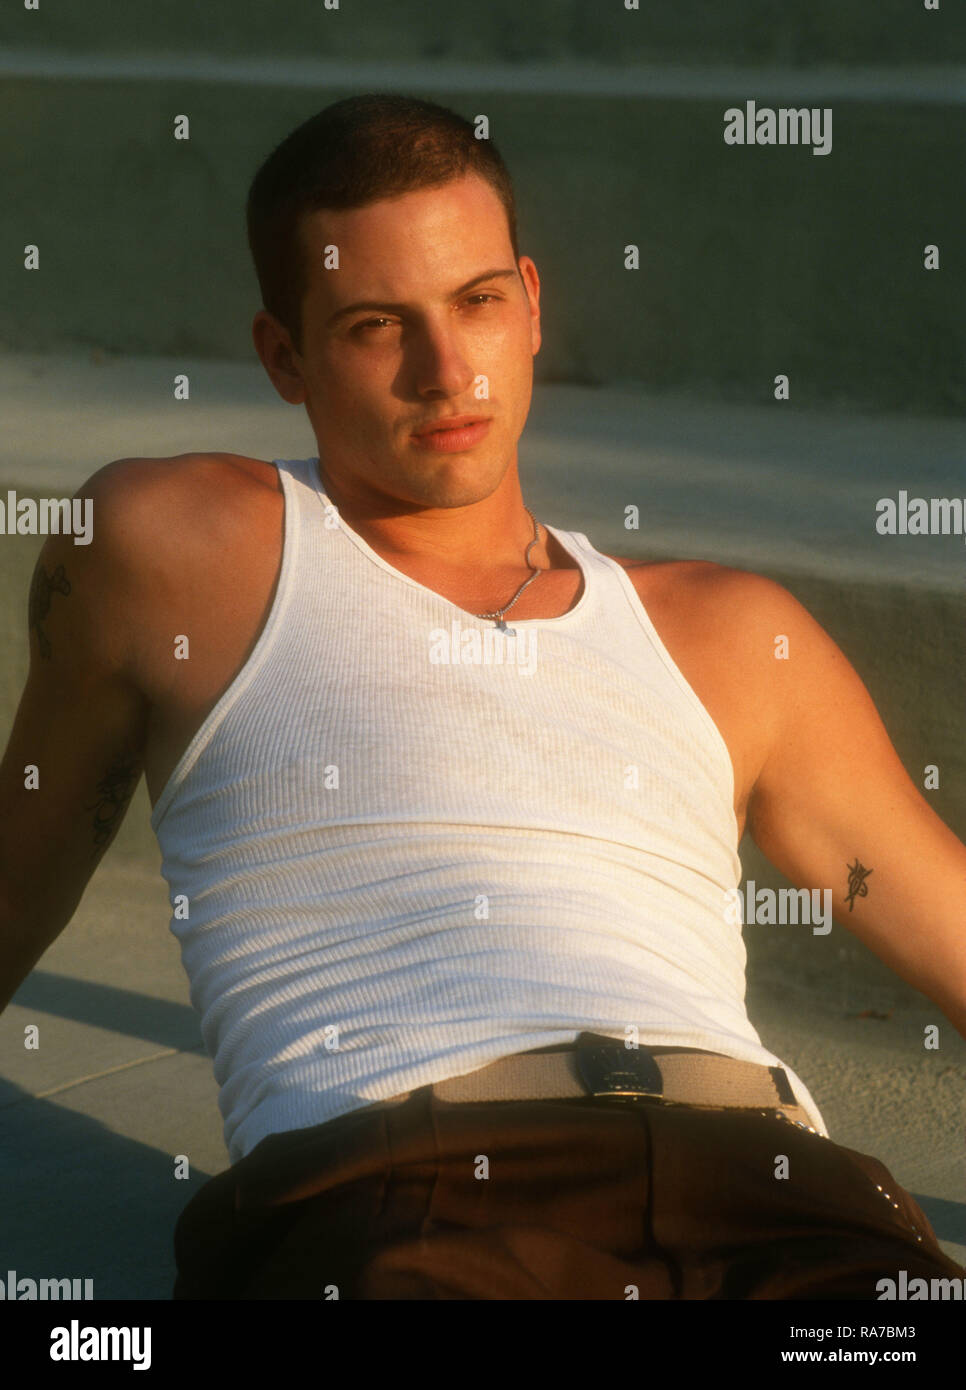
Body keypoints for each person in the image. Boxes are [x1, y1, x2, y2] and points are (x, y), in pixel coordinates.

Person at [1, 93, 964, 1301]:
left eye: (477, 302)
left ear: (532, 303)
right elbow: (17, 868)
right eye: (373, 324)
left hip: (771, 1189)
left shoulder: (731, 632)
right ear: (283, 356)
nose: (447, 371)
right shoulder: (178, 549)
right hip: (411, 1192)